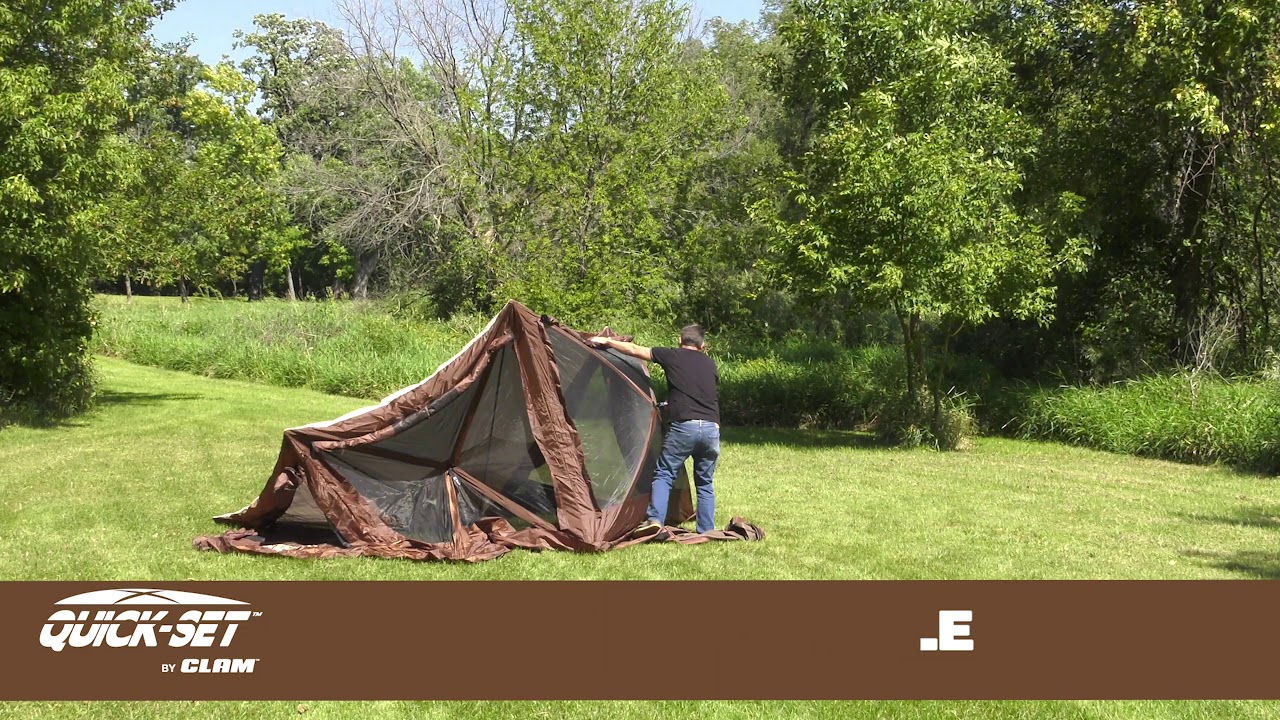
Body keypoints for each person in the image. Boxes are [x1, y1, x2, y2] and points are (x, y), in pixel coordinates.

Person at [588, 325, 720, 535]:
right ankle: (706, 530)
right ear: (702, 345)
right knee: (704, 482)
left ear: (679, 340)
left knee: (664, 473)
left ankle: (655, 519)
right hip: (712, 428)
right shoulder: (710, 364)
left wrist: (607, 341)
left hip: (685, 426)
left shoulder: (672, 355)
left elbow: (634, 350)